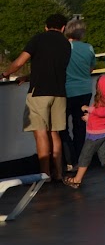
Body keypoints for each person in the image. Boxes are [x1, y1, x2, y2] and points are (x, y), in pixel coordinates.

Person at [2, 13, 71, 181]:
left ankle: (44, 175)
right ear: (63, 28)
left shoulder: (38, 39)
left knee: (40, 133)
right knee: (54, 133)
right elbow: (51, 68)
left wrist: (5, 74)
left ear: (46, 27)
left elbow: (19, 62)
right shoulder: (66, 44)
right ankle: (58, 173)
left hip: (39, 93)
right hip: (59, 93)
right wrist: (28, 77)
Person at [65, 74, 105, 190]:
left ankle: (77, 180)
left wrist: (88, 109)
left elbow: (101, 112)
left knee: (85, 156)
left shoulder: (102, 101)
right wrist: (90, 118)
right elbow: (102, 116)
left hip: (95, 135)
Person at [64, 20, 97, 166]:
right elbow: (91, 68)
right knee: (80, 125)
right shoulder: (89, 48)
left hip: (67, 90)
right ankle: (80, 158)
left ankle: (69, 158)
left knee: (62, 127)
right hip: (85, 90)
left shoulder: (65, 47)